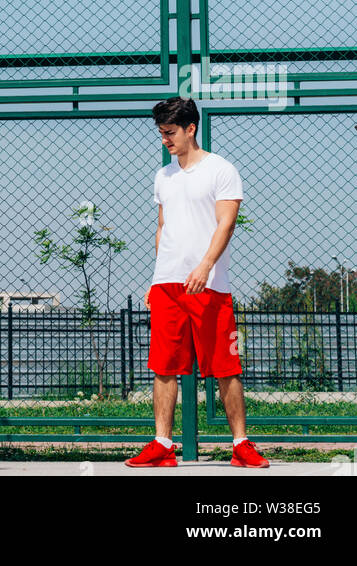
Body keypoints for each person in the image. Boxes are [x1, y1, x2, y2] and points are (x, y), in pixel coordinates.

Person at [126, 96, 269, 469]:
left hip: (210, 286)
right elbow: (162, 226)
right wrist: (156, 278)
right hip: (167, 285)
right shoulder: (163, 176)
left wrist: (206, 265)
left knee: (225, 366)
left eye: (170, 133)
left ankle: (241, 444)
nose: (165, 140)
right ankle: (162, 445)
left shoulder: (222, 170)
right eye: (160, 133)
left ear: (191, 129)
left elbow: (226, 223)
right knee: (164, 366)